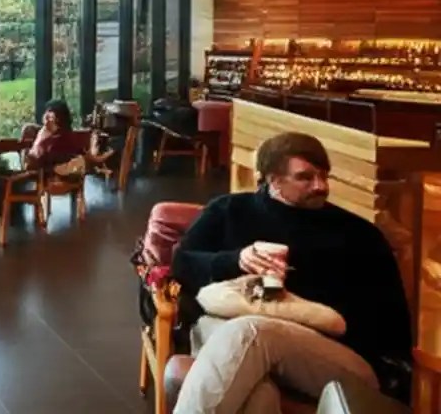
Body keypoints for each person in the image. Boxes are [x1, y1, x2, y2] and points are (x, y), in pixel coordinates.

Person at [171, 132, 412, 413]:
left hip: (337, 356)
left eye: (324, 176)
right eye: (305, 177)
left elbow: (389, 324)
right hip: (232, 341)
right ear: (273, 179)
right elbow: (183, 264)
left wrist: (301, 308)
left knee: (250, 330)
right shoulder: (229, 210)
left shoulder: (357, 234)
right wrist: (237, 260)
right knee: (258, 399)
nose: (320, 186)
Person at [0, 99, 84, 244]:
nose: (46, 120)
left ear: (60, 120)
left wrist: (38, 145)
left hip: (30, 176)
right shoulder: (46, 133)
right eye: (46, 115)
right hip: (23, 167)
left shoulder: (61, 140)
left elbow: (41, 161)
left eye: (51, 117)